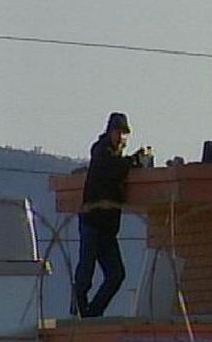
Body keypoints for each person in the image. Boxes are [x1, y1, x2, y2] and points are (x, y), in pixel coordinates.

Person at [72, 112, 143, 318]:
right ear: (110, 132)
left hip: (107, 227)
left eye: (124, 134)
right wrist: (136, 159)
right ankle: (80, 307)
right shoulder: (101, 151)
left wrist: (134, 161)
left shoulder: (114, 156)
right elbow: (115, 168)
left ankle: (93, 312)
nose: (121, 138)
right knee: (86, 270)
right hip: (93, 221)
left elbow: (120, 168)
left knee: (116, 274)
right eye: (119, 133)